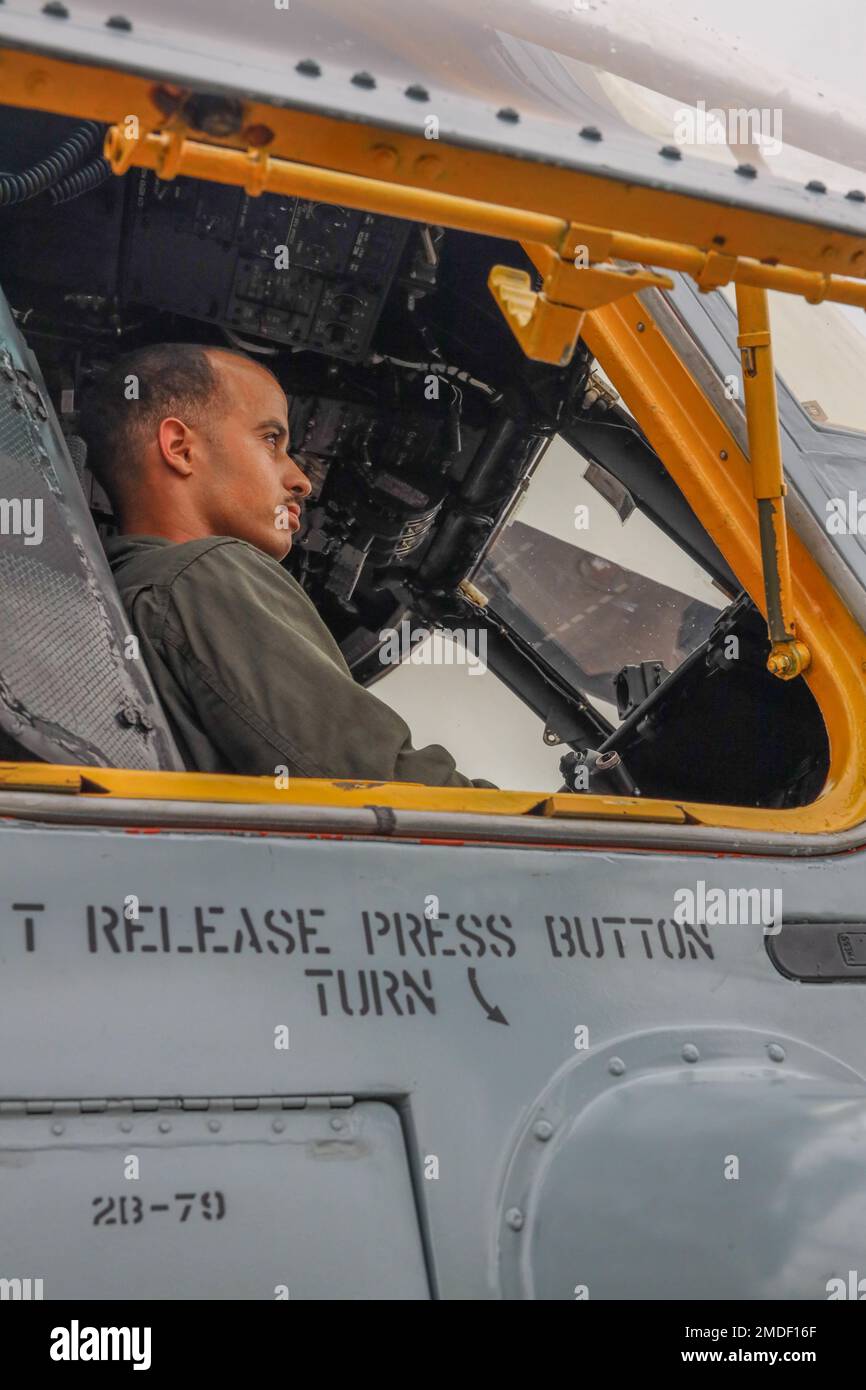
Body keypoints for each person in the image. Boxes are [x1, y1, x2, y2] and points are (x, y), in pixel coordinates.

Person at [80, 342, 495, 787]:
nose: (301, 481)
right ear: (180, 448)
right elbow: (384, 788)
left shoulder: (123, 595)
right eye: (270, 441)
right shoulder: (204, 574)